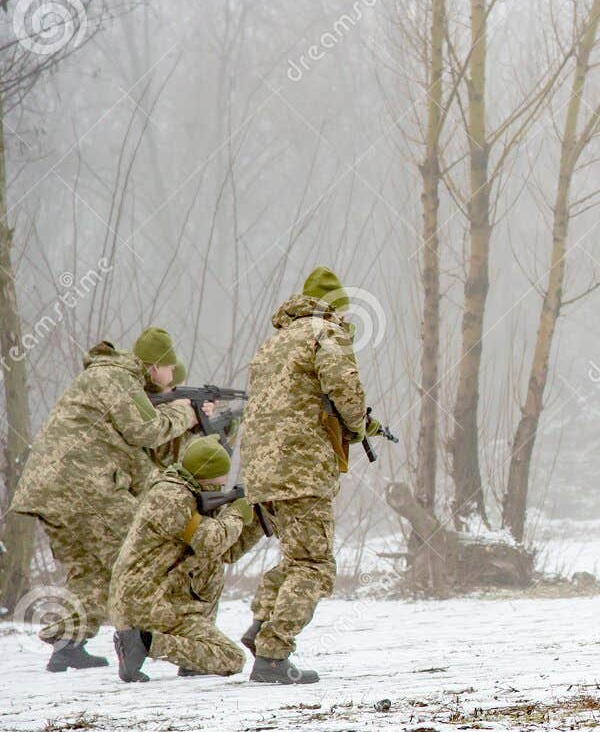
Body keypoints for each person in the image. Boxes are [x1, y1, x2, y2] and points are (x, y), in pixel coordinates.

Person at [8, 328, 203, 671]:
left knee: (92, 574)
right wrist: (186, 413)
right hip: (83, 488)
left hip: (53, 492)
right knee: (145, 554)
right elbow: (146, 431)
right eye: (170, 369)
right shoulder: (116, 378)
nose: (172, 377)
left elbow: (138, 462)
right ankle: (174, 648)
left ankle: (68, 644)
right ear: (156, 366)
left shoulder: (109, 378)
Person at [236, 266, 371, 685]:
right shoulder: (325, 332)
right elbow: (345, 391)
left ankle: (262, 627)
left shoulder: (274, 341)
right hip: (302, 469)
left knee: (296, 557)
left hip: (263, 469)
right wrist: (360, 426)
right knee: (313, 565)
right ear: (334, 306)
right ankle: (273, 656)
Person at [109, 436, 265, 681]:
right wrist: (235, 513)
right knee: (231, 658)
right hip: (146, 603)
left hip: (162, 597)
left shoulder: (186, 491)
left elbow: (226, 552)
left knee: (211, 566)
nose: (221, 489)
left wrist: (256, 521)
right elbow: (212, 542)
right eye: (218, 484)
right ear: (206, 477)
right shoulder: (172, 498)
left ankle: (192, 659)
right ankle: (143, 642)